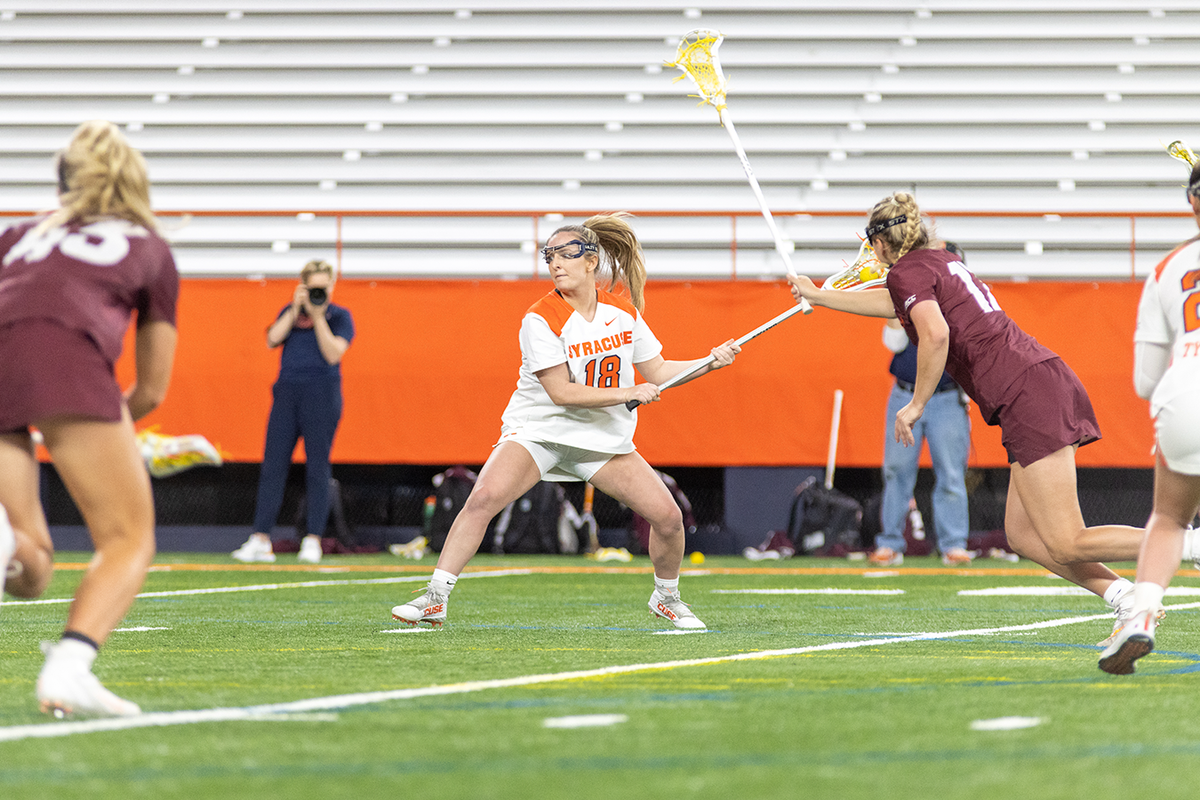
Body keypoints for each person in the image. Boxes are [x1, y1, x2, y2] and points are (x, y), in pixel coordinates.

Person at [788, 191, 1200, 643]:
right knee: (1023, 536)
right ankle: (1124, 597)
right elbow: (893, 305)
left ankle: (1189, 545)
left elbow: (936, 333)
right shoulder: (936, 262)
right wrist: (821, 297)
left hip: (1028, 392)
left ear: (883, 243)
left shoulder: (908, 271)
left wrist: (917, 403)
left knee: (1067, 539)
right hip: (1034, 385)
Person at [391, 213, 739, 630]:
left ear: (591, 261)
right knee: (483, 497)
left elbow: (661, 370)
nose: (555, 263)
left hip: (600, 439)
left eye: (566, 254)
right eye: (549, 255)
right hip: (541, 431)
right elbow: (561, 392)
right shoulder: (540, 318)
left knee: (667, 517)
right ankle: (435, 598)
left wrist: (710, 362)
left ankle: (667, 597)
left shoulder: (622, 313)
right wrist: (627, 393)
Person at [0, 120, 180, 717]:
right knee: (128, 540)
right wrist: (112, 431)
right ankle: (71, 667)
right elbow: (151, 389)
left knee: (31, 569)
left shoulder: (18, 236)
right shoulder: (150, 249)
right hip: (66, 367)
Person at [1099, 161, 1200, 674]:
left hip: (1184, 392)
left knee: (1168, 519)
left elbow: (1144, 380)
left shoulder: (1168, 267)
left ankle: (1140, 616)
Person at [232, 259, 354, 565]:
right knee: (273, 466)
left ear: (331, 286)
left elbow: (333, 353)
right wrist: (294, 307)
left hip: (322, 394)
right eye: (311, 287)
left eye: (322, 288)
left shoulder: (340, 316)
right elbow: (272, 338)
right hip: (287, 392)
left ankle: (313, 539)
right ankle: (261, 538)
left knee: (318, 468)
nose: (317, 292)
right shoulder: (290, 312)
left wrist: (318, 316)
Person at [871, 242, 972, 568]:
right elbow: (893, 342)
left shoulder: (965, 306)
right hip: (906, 392)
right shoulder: (914, 296)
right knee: (897, 470)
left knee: (952, 474)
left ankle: (954, 543)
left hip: (945, 396)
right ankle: (890, 542)